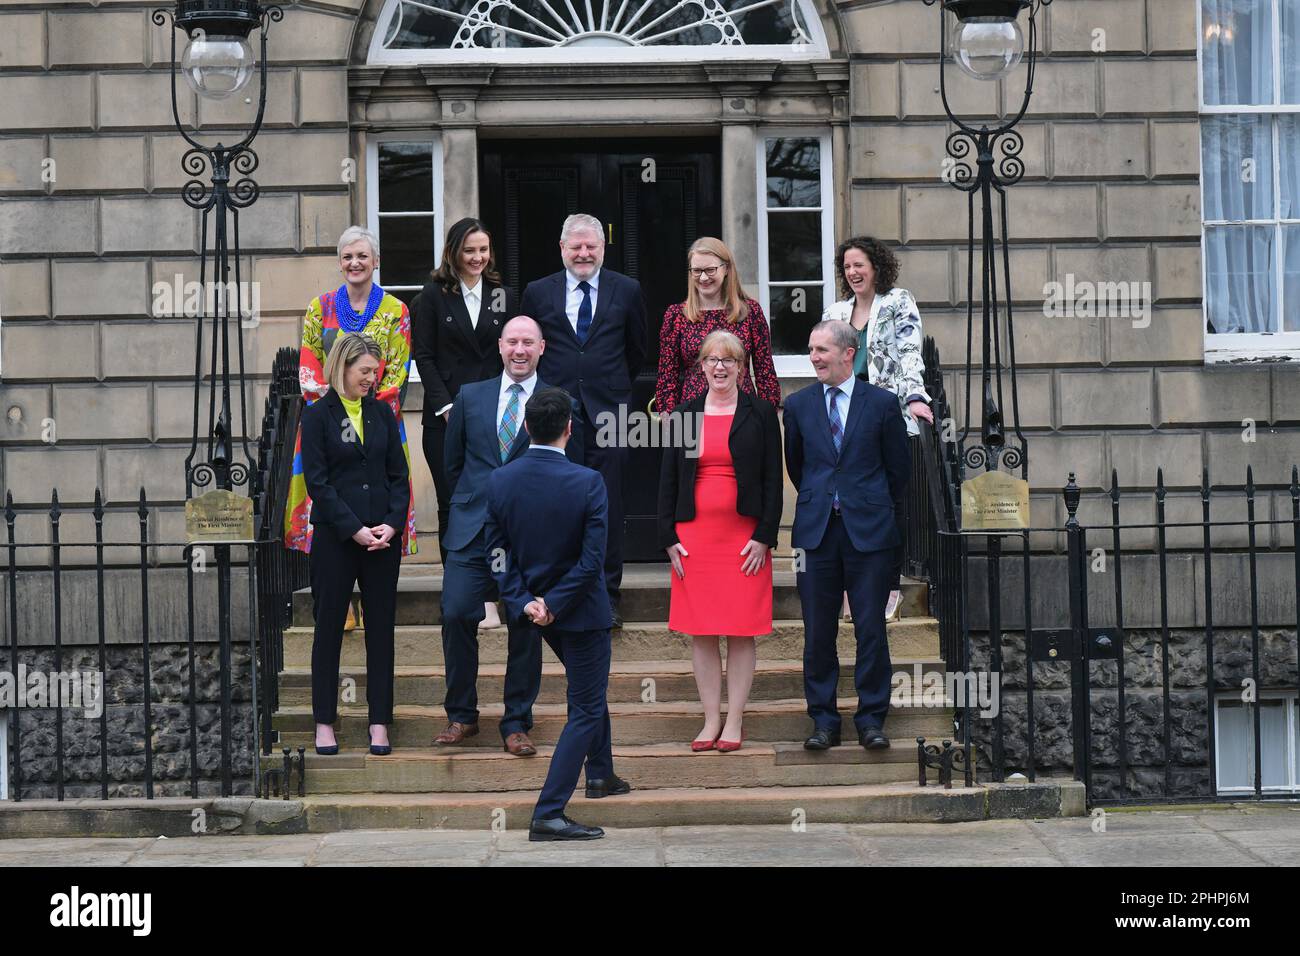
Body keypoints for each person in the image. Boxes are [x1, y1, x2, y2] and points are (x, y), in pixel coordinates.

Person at [485, 387, 631, 841]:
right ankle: (549, 812)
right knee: (586, 706)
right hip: (581, 612)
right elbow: (593, 562)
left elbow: (495, 553)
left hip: (536, 609)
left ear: (527, 427)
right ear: (569, 428)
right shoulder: (589, 482)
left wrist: (524, 600)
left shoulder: (501, 480)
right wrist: (552, 603)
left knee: (589, 691)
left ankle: (601, 774)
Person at [784, 320, 909, 753]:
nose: (814, 357)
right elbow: (797, 467)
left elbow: (898, 472)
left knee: (870, 628)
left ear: (848, 353)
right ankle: (824, 720)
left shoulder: (882, 404)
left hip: (869, 534)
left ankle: (871, 719)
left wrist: (865, 504)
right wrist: (826, 500)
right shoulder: (798, 405)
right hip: (817, 533)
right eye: (811, 349)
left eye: (822, 350)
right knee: (817, 630)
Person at [520, 213, 647, 625]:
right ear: (562, 249)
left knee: (607, 504)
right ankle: (558, 594)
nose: (583, 253)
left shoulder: (626, 290)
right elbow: (532, 347)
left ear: (603, 248)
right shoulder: (538, 293)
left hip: (612, 414)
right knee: (557, 503)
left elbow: (636, 351)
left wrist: (609, 390)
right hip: (558, 415)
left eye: (591, 246)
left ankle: (608, 595)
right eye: (575, 246)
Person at [658, 330, 782, 753]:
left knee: (741, 629)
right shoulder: (684, 414)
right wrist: (668, 537)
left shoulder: (762, 413)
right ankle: (710, 718)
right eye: (712, 359)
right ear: (701, 367)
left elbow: (772, 481)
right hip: (694, 538)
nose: (720, 367)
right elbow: (667, 479)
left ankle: (734, 719)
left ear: (741, 366)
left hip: (745, 539)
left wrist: (765, 536)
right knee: (702, 631)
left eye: (728, 359)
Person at [434, 316, 548, 755]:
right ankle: (461, 716)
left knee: (525, 621)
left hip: (529, 536)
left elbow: (566, 467)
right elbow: (452, 465)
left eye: (528, 343)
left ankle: (517, 721)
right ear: (500, 346)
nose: (519, 350)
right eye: (512, 342)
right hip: (471, 531)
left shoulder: (556, 400)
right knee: (456, 613)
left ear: (542, 347)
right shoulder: (470, 396)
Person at [299, 334, 410, 757]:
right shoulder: (316, 416)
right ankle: (325, 721)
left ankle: (379, 721)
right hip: (336, 539)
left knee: (381, 631)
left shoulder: (382, 412)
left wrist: (391, 524)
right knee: (329, 630)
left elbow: (399, 476)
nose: (371, 378)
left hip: (382, 540)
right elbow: (318, 482)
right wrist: (353, 529)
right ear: (342, 367)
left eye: (375, 372)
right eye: (364, 371)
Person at [285, 226, 417, 564]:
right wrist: (335, 408)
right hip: (326, 418)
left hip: (379, 419)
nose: (354, 263)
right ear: (339, 263)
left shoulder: (395, 310)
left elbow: (398, 370)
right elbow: (309, 364)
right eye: (347, 257)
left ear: (376, 261)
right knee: (328, 487)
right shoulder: (320, 307)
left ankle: (379, 540)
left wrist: (369, 408)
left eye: (362, 256)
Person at [822, 236, 932, 622]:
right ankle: (856, 589)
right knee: (850, 504)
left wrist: (916, 396)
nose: (853, 272)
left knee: (890, 505)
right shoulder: (837, 309)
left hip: (888, 415)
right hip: (847, 420)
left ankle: (888, 589)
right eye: (847, 266)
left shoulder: (899, 301)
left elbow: (909, 352)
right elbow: (827, 358)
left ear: (876, 267)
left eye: (859, 265)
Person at [412, 217, 521, 580]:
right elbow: (423, 356)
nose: (477, 258)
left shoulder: (503, 295)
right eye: (469, 250)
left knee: (495, 502)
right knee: (453, 503)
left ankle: (494, 587)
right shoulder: (432, 295)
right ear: (454, 252)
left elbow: (508, 355)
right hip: (444, 417)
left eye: (483, 250)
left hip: (492, 417)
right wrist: (445, 407)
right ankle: (457, 585)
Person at [655, 237, 782, 415]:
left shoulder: (750, 312)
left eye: (710, 270)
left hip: (743, 412)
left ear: (727, 269)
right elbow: (667, 376)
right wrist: (668, 417)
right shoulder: (676, 315)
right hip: (693, 413)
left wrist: (767, 414)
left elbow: (765, 371)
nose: (703, 277)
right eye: (697, 271)